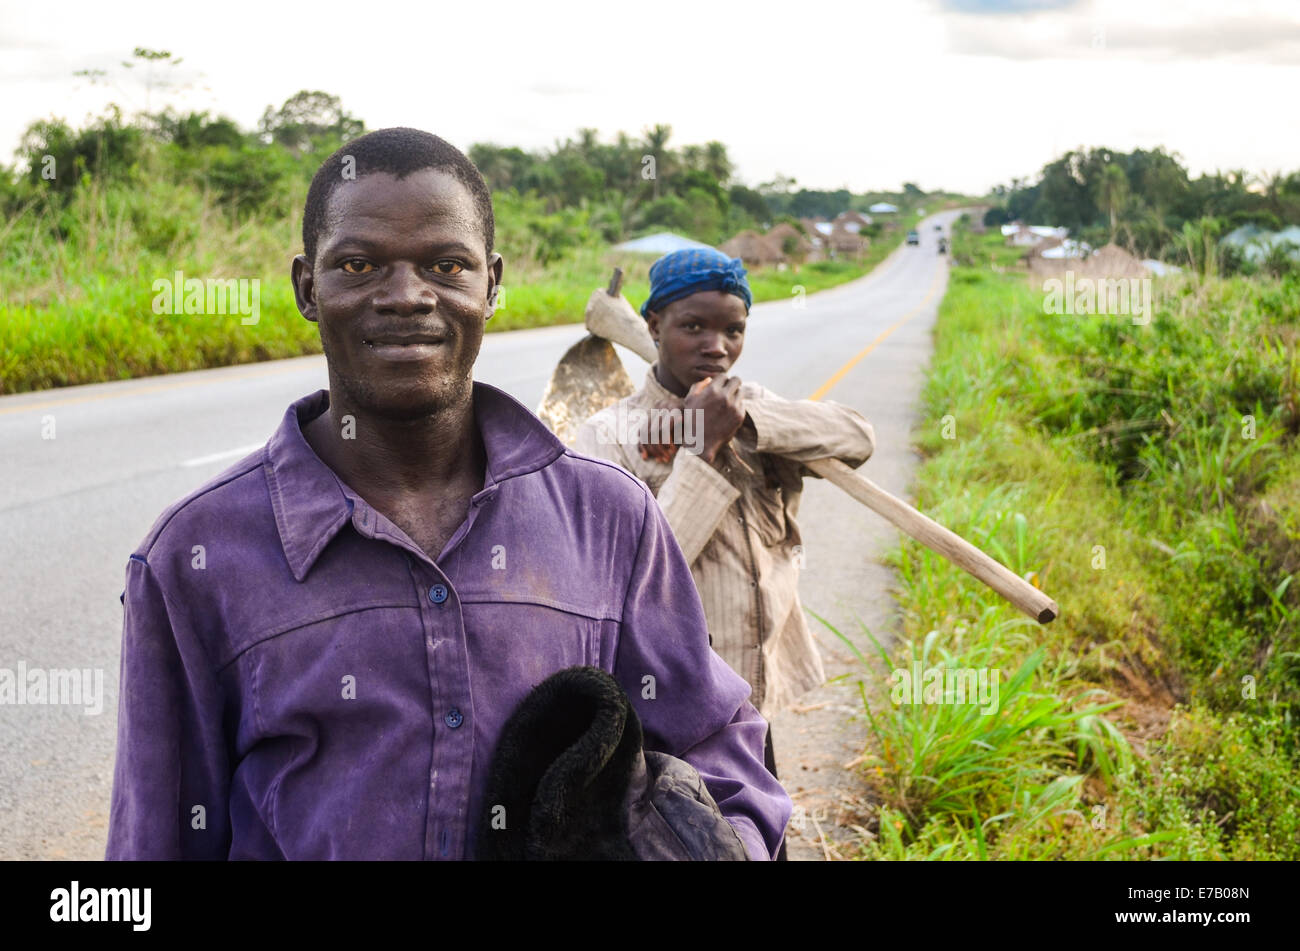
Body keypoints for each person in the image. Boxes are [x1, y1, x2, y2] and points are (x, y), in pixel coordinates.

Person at [105, 129, 789, 861]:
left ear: (490, 284)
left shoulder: (608, 518)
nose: (406, 296)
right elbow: (158, 840)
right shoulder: (195, 555)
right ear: (308, 286)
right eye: (359, 263)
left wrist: (732, 843)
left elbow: (715, 736)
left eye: (446, 264)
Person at [574, 248, 876, 856]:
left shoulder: (753, 405)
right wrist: (699, 446)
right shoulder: (612, 436)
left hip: (752, 694)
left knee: (763, 823)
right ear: (653, 326)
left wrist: (752, 421)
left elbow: (857, 436)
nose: (716, 345)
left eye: (732, 329)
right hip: (670, 711)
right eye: (694, 327)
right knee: (687, 836)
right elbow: (634, 577)